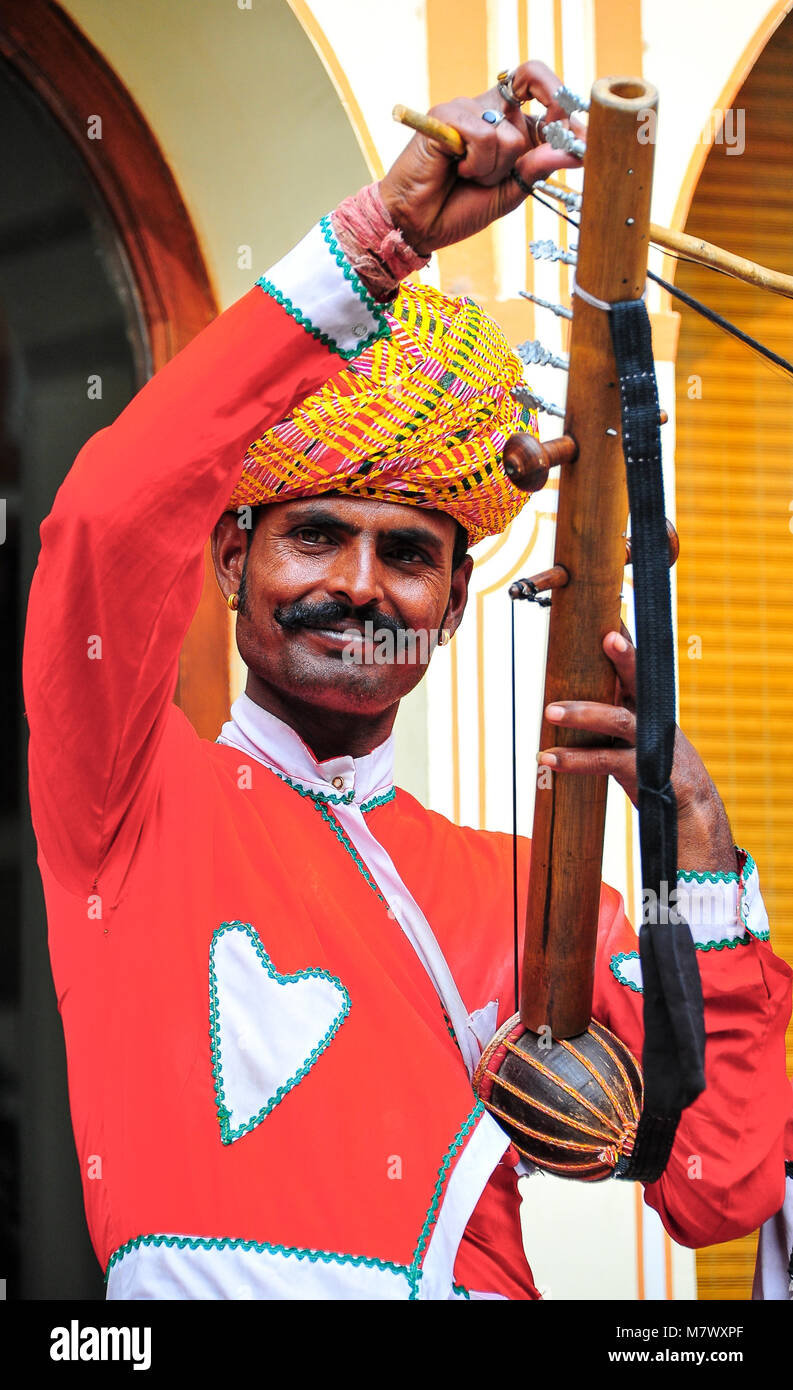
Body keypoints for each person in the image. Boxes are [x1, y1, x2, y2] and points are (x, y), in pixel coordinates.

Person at [23, 59, 791, 1301]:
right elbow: (107, 520)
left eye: (411, 555)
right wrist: (380, 242)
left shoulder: (536, 897)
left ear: (455, 601)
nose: (364, 587)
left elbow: (719, 1182)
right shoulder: (123, 808)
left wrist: (695, 855)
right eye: (316, 534)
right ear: (233, 556)